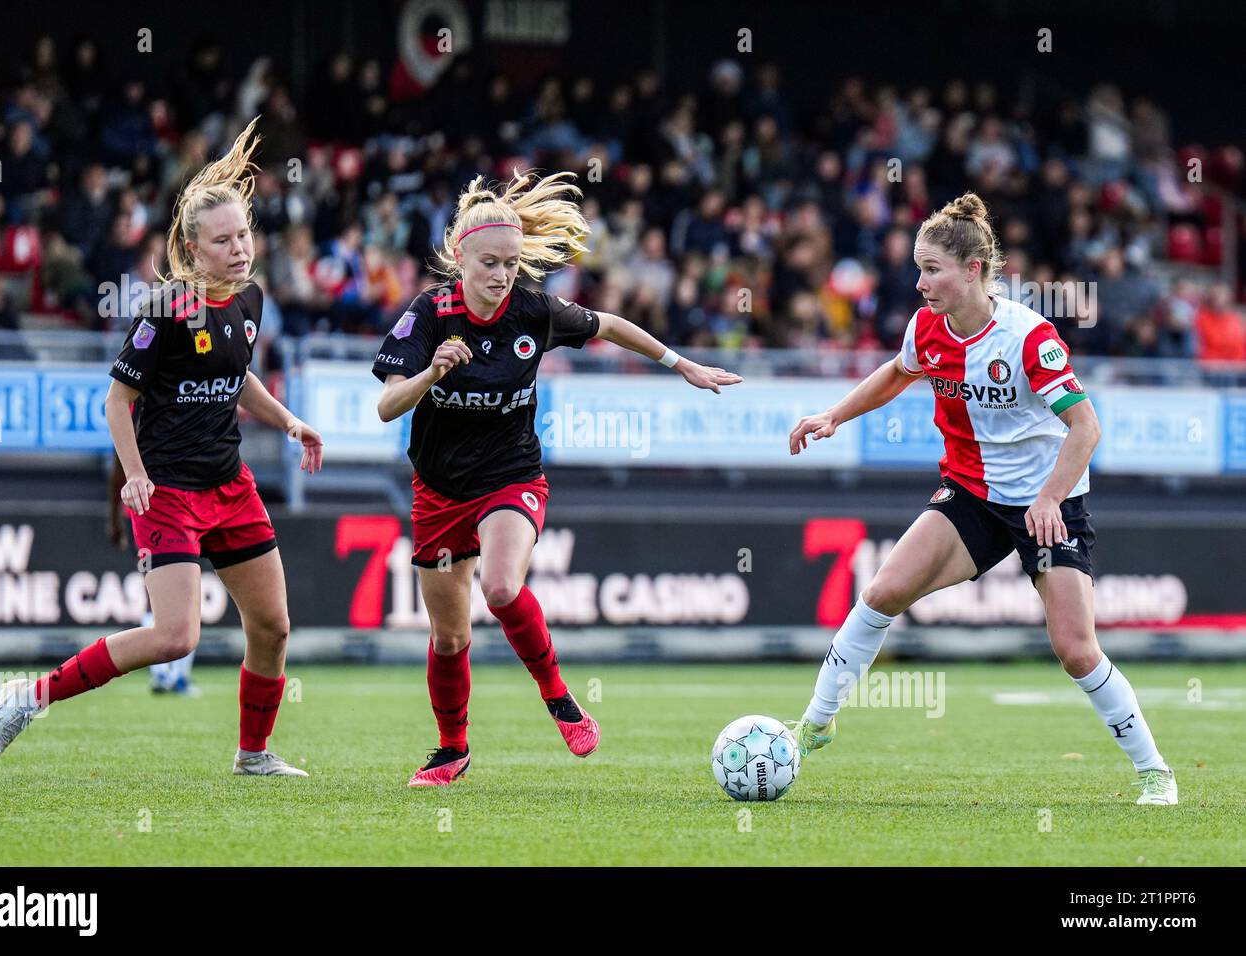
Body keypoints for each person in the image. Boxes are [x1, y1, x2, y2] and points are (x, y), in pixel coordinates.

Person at [787, 192, 1177, 806]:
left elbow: (1086, 429)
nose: (920, 283)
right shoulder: (926, 327)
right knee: (884, 590)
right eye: (917, 268)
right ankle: (814, 722)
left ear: (972, 271)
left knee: (1075, 649)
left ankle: (1155, 772)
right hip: (971, 493)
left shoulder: (1029, 336)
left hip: (1050, 503)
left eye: (932, 270)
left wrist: (1049, 498)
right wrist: (834, 416)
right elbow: (896, 372)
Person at [374, 169, 742, 786]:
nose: (501, 275)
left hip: (511, 478)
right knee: (447, 638)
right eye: (489, 262)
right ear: (460, 257)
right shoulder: (429, 315)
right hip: (438, 491)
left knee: (498, 586)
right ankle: (452, 749)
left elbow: (610, 326)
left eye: (512, 264)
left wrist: (682, 365)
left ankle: (559, 698)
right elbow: (388, 406)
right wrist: (431, 374)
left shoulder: (534, 311)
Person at [0, 119, 324, 775]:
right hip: (166, 490)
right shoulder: (164, 311)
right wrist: (134, 475)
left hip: (229, 484)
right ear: (193, 249)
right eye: (223, 241)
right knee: (175, 637)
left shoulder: (250, 301)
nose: (239, 250)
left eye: (244, 236)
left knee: (274, 628)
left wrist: (288, 422)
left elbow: (237, 376)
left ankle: (253, 755)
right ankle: (29, 698)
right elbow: (116, 401)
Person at [108, 454, 200, 696]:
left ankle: (166, 675)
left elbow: (117, 471)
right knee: (179, 593)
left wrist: (114, 518)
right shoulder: (144, 426)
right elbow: (119, 469)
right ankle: (173, 676)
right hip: (157, 518)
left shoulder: (133, 424)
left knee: (157, 592)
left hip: (147, 519)